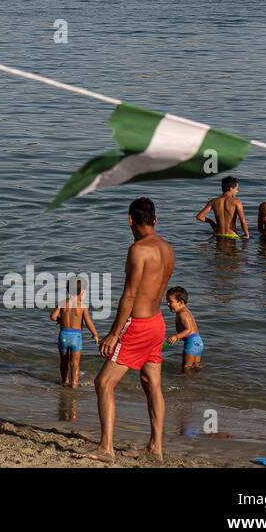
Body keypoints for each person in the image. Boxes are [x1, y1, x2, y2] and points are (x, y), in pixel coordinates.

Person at [91, 197, 174, 462]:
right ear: (155, 220)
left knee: (103, 383)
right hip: (158, 324)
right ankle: (156, 447)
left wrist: (114, 333)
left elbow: (129, 295)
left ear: (130, 220)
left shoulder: (138, 250)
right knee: (152, 384)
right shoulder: (167, 248)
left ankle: (106, 448)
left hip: (137, 325)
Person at [51, 278, 99, 388]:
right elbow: (88, 322)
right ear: (81, 291)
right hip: (76, 337)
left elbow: (53, 317)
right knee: (75, 364)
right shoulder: (82, 306)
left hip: (63, 335)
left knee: (64, 362)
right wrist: (95, 334)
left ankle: (64, 381)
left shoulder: (63, 303)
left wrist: (60, 320)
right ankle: (74, 384)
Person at [196, 176, 250, 241]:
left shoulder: (213, 201)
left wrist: (211, 222)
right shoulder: (236, 201)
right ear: (230, 189)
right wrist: (247, 235)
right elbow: (243, 221)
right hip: (231, 235)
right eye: (237, 188)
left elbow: (199, 216)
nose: (238, 191)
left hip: (218, 234)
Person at [164, 287, 203, 372]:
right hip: (198, 341)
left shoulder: (182, 314)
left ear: (181, 302)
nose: (167, 304)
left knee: (186, 367)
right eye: (167, 301)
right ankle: (198, 381)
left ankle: (186, 384)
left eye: (170, 301)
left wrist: (176, 337)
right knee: (196, 366)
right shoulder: (184, 311)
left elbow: (188, 330)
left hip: (191, 342)